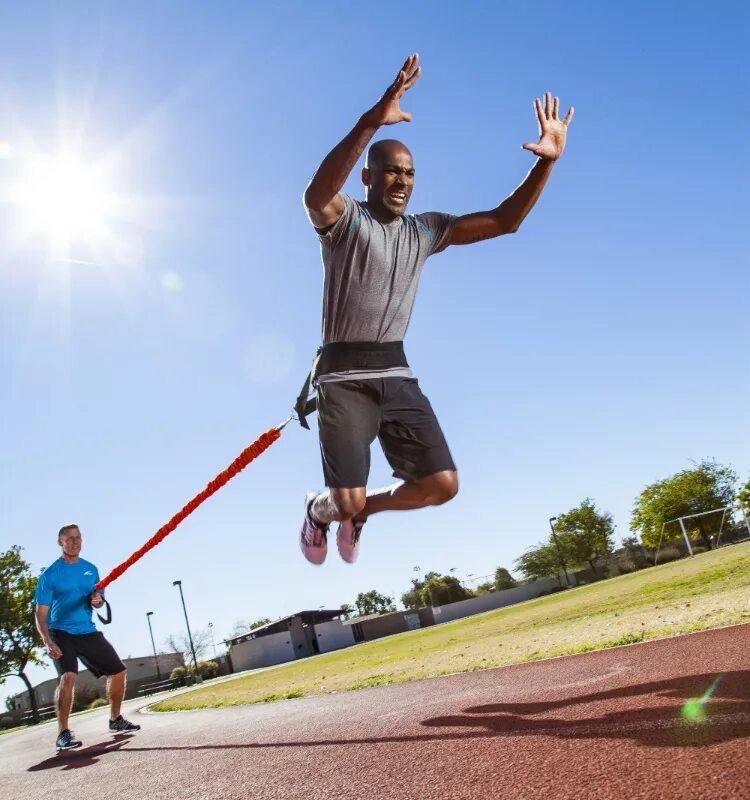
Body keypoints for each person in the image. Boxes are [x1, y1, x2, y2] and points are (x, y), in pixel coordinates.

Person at [300, 53, 573, 565]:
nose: (401, 182)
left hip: (396, 372)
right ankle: (321, 511)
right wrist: (369, 121)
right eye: (390, 172)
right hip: (342, 376)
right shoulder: (344, 221)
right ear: (368, 177)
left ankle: (362, 514)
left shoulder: (425, 230)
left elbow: (504, 220)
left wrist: (547, 161)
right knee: (345, 498)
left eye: (409, 173)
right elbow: (317, 193)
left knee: (442, 485)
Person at [34, 524, 140, 751]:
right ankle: (63, 733)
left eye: (78, 538)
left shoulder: (90, 569)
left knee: (119, 671)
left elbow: (99, 599)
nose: (74, 542)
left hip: (87, 630)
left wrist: (98, 601)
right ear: (60, 543)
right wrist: (47, 641)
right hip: (60, 632)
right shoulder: (50, 575)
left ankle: (115, 720)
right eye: (69, 539)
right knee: (68, 676)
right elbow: (40, 615)